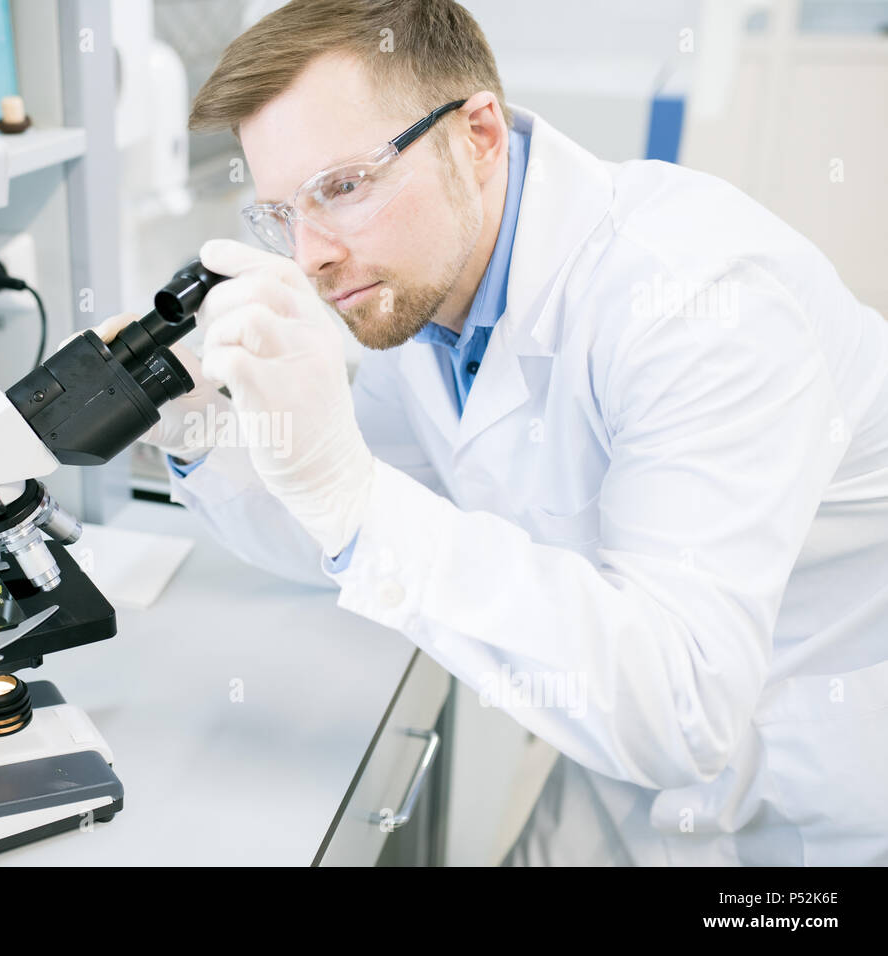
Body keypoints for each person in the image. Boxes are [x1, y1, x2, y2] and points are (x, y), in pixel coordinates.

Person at [95, 0, 888, 865]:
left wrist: (351, 497)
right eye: (281, 213)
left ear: (477, 136)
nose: (309, 253)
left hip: (809, 809)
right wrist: (199, 422)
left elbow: (681, 707)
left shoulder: (701, 304)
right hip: (615, 775)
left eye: (344, 186)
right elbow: (343, 525)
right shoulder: (426, 301)